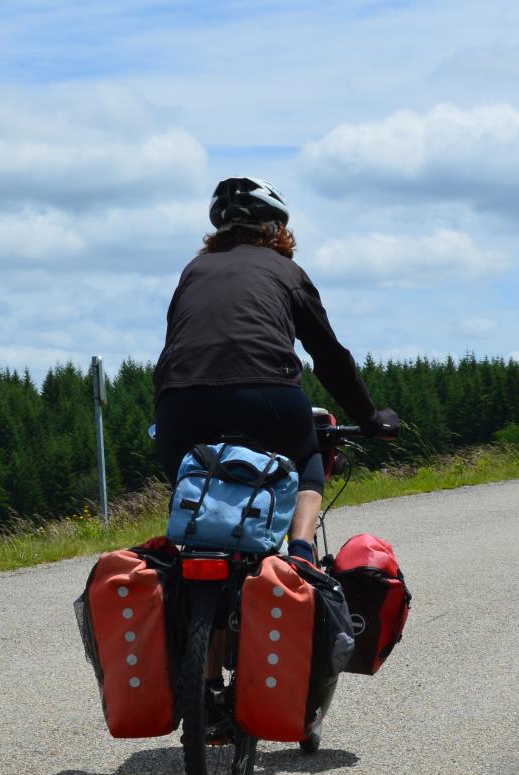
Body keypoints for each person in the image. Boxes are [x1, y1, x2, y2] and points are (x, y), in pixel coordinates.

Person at [152, 176, 399, 562]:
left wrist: (169, 415)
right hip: (267, 397)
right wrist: (370, 419)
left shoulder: (193, 272)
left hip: (180, 405)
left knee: (193, 474)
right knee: (308, 461)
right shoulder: (286, 271)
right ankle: (300, 558)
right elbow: (329, 357)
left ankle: (187, 571)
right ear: (276, 229)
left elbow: (173, 351)